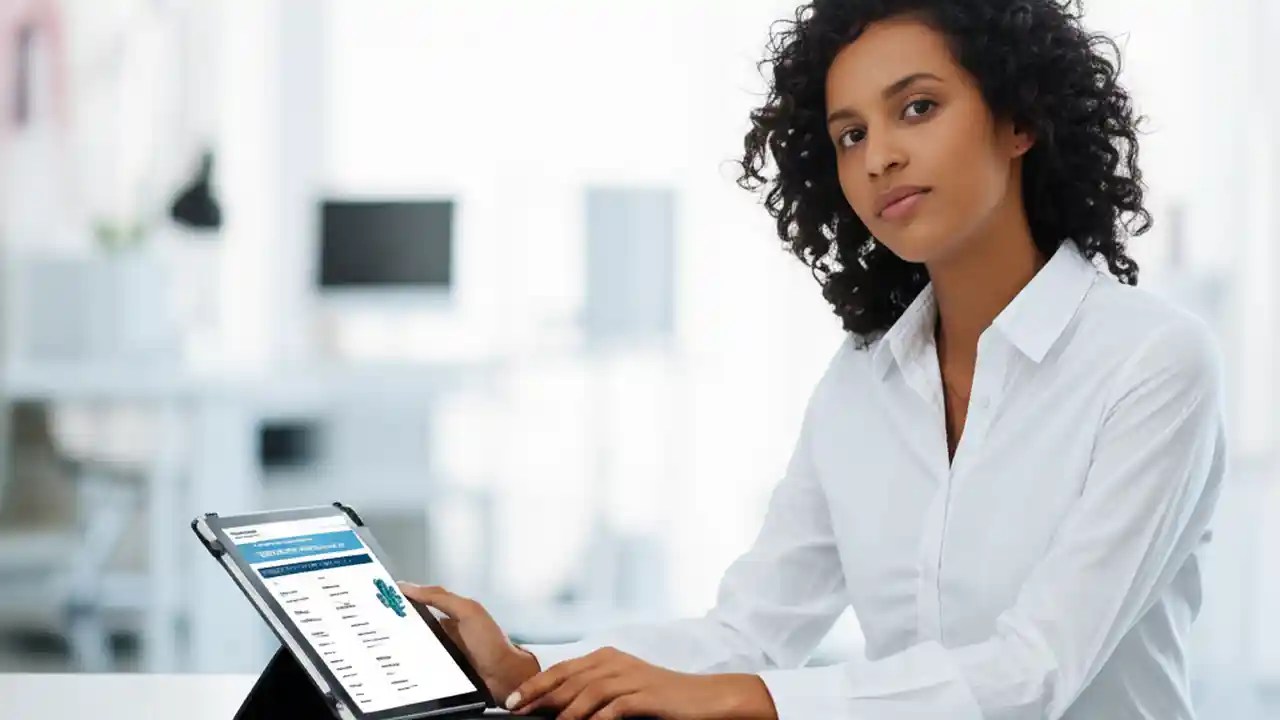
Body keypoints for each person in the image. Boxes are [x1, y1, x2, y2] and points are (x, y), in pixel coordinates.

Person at [398, 1, 1227, 717]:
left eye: (918, 108)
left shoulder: (1153, 362)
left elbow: (1036, 671)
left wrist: (751, 700)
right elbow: (750, 632)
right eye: (849, 134)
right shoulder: (862, 383)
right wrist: (527, 670)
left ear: (1020, 120)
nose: (878, 157)